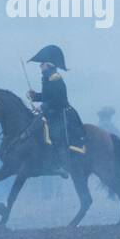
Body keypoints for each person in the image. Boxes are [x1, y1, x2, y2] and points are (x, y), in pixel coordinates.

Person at [25, 44, 85, 174]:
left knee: (55, 135)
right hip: (51, 112)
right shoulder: (47, 78)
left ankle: (60, 164)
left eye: (42, 64)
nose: (40, 66)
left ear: (48, 65)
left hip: (60, 113)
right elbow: (47, 96)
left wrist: (43, 106)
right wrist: (35, 96)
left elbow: (58, 100)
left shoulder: (55, 78)